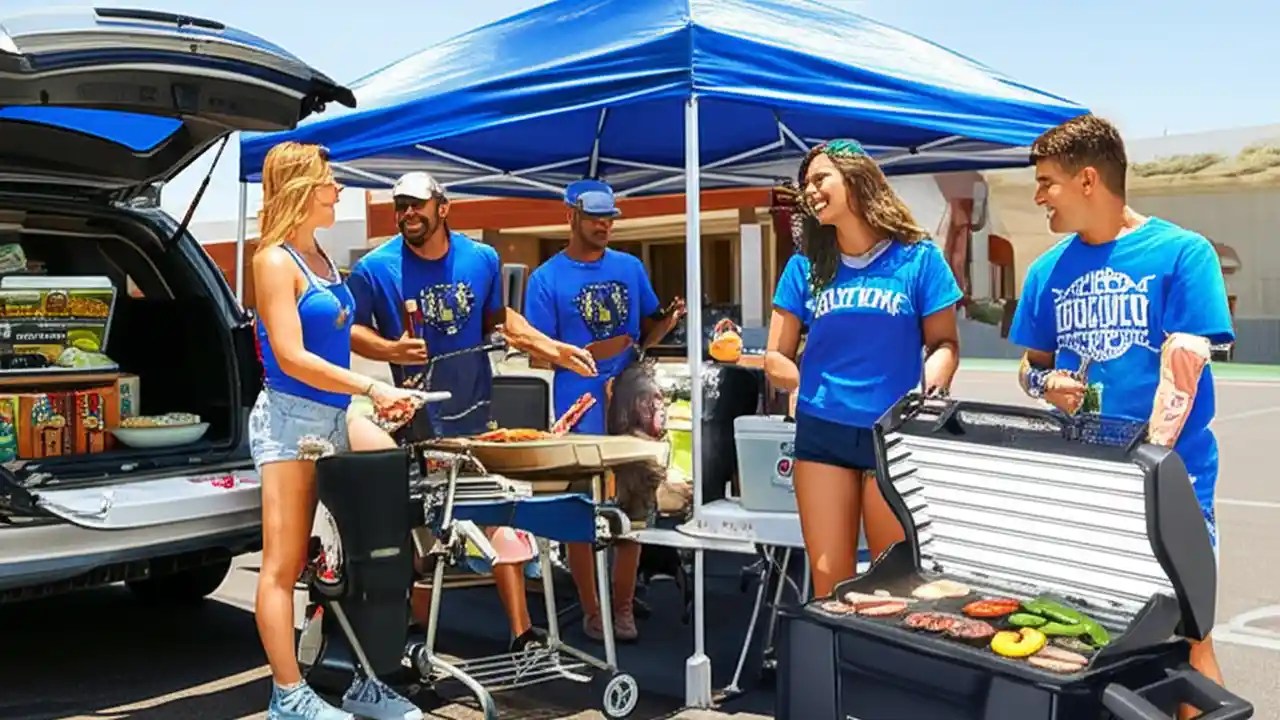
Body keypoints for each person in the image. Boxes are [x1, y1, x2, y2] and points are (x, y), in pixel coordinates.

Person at [1009, 114, 1231, 714]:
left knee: (1189, 636)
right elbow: (1029, 368)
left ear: (1087, 180)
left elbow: (1185, 365)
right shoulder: (1045, 272)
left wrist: (1144, 468)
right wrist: (1043, 382)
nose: (1038, 196)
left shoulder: (1183, 253)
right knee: (1094, 635)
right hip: (1081, 482)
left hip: (1168, 479)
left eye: (1047, 182)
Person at [346, 171, 597, 651]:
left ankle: (522, 634)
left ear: (443, 207)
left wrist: (556, 349)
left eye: (417, 204)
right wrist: (391, 350)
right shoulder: (376, 268)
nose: (408, 213)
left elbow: (500, 323)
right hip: (417, 426)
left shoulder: (481, 259)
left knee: (500, 518)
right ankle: (414, 639)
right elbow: (352, 331)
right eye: (401, 205)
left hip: (477, 421)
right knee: (421, 541)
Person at [250, 142, 425, 720]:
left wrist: (380, 389)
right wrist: (372, 388)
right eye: (329, 180)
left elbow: (332, 331)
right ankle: (288, 696)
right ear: (302, 188)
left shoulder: (319, 255)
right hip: (291, 420)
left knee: (376, 542)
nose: (339, 189)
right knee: (282, 564)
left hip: (337, 416)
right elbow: (291, 354)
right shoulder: (273, 260)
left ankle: (361, 676)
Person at [763, 139, 962, 599]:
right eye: (805, 184)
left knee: (891, 583)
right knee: (829, 578)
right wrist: (794, 377)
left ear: (856, 178)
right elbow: (776, 356)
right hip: (821, 431)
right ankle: (831, 670)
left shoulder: (918, 259)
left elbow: (945, 342)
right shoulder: (804, 268)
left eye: (820, 179)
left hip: (890, 434)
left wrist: (933, 385)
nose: (810, 191)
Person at [523, 179, 685, 643]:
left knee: (632, 512)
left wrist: (668, 321)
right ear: (570, 215)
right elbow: (537, 354)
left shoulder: (631, 267)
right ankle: (593, 610)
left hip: (629, 402)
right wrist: (586, 351)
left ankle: (623, 606)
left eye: (609, 217)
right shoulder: (546, 279)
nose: (603, 224)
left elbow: (646, 334)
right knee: (581, 513)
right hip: (580, 405)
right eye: (594, 216)